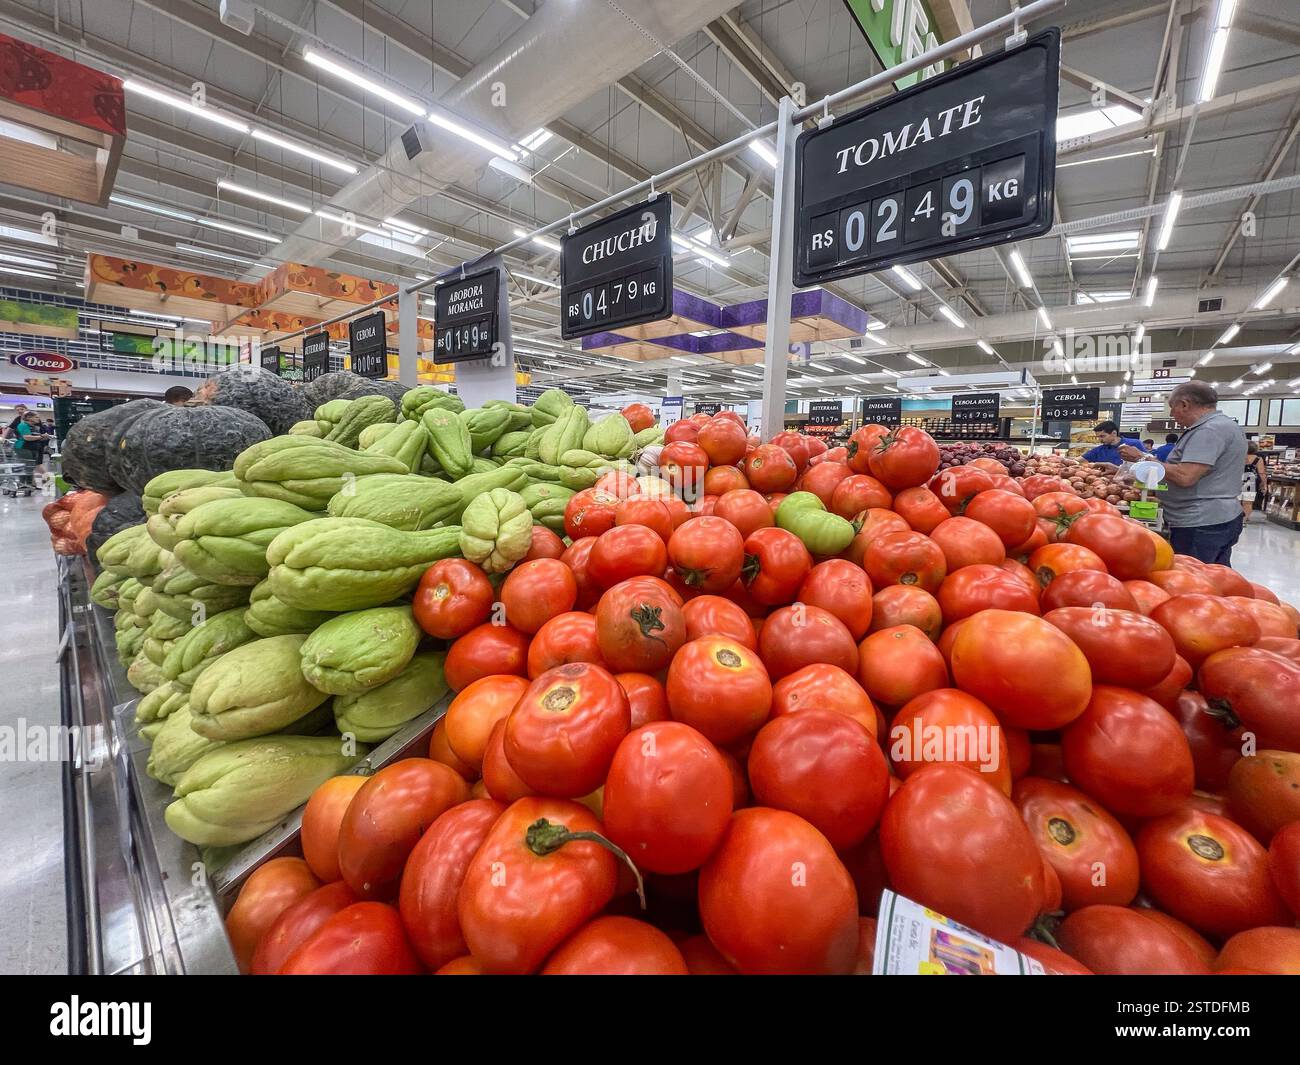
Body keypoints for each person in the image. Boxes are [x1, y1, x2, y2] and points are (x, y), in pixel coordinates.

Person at [1120, 381, 1246, 565]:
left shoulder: (1209, 430)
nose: (1172, 415)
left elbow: (1185, 476)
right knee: (1214, 578)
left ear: (1185, 404)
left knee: (1196, 581)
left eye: (1172, 408)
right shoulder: (1222, 426)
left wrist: (1141, 458)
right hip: (1214, 519)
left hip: (1201, 523)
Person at [12, 411, 50, 487]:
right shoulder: (23, 425)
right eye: (36, 417)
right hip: (24, 448)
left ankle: (31, 484)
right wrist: (41, 436)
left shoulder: (34, 426)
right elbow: (27, 437)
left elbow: (35, 437)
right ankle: (24, 484)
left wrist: (44, 437)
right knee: (27, 466)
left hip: (33, 448)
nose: (38, 419)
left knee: (31, 466)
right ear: (29, 418)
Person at [1240, 441, 1268, 522]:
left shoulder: (1239, 457)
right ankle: (1244, 519)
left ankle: (1237, 519)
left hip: (1237, 479)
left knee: (1237, 501)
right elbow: (1261, 473)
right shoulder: (1258, 459)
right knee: (1248, 502)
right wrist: (1264, 483)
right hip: (1250, 480)